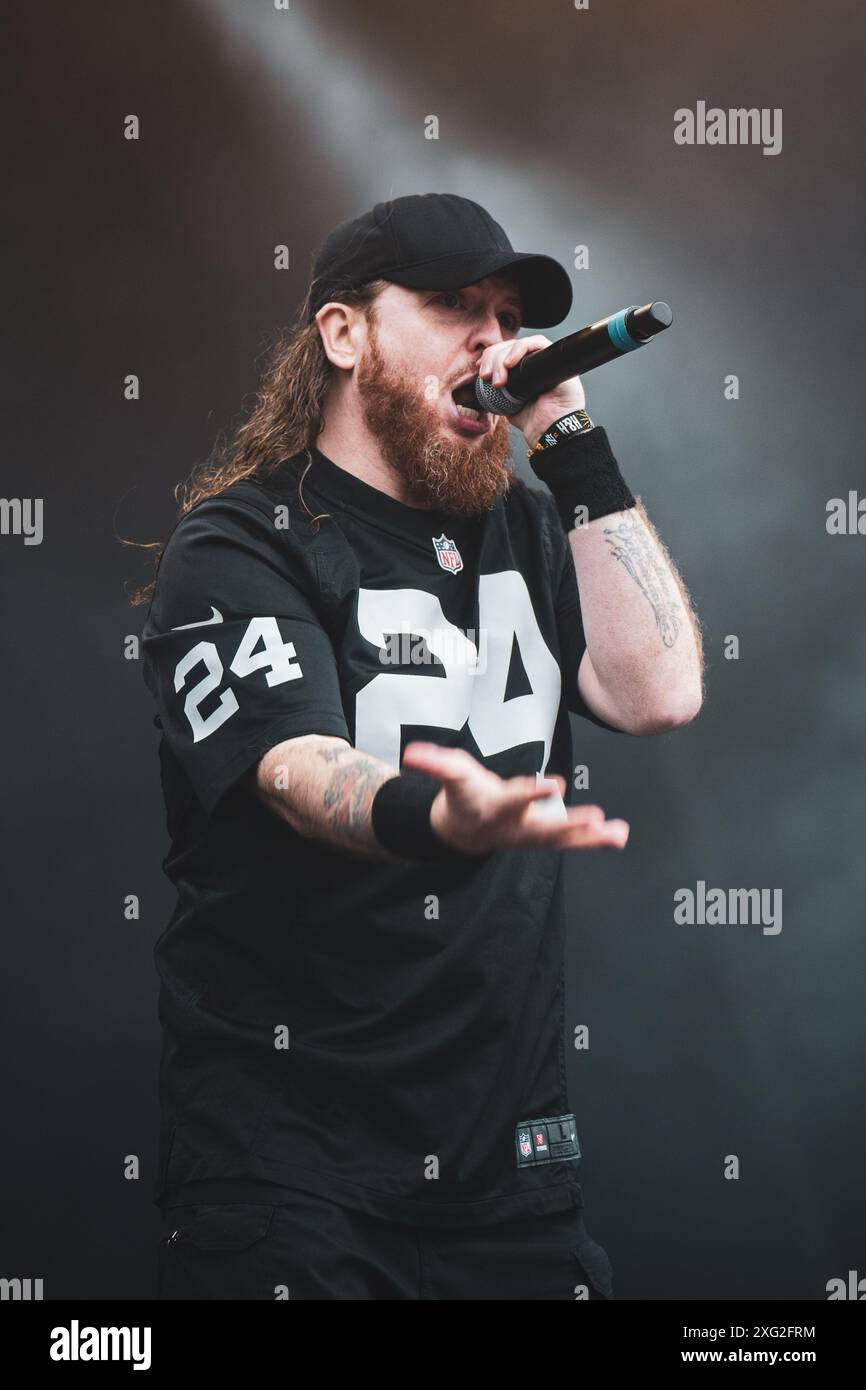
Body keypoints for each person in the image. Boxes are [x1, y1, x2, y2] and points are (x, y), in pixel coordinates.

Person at [136, 192, 704, 1300]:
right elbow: (296, 769)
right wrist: (435, 817)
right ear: (344, 336)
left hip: (508, 1169)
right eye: (452, 306)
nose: (492, 341)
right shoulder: (240, 542)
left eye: (504, 315)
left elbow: (659, 693)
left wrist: (572, 444)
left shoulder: (526, 527)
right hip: (290, 1169)